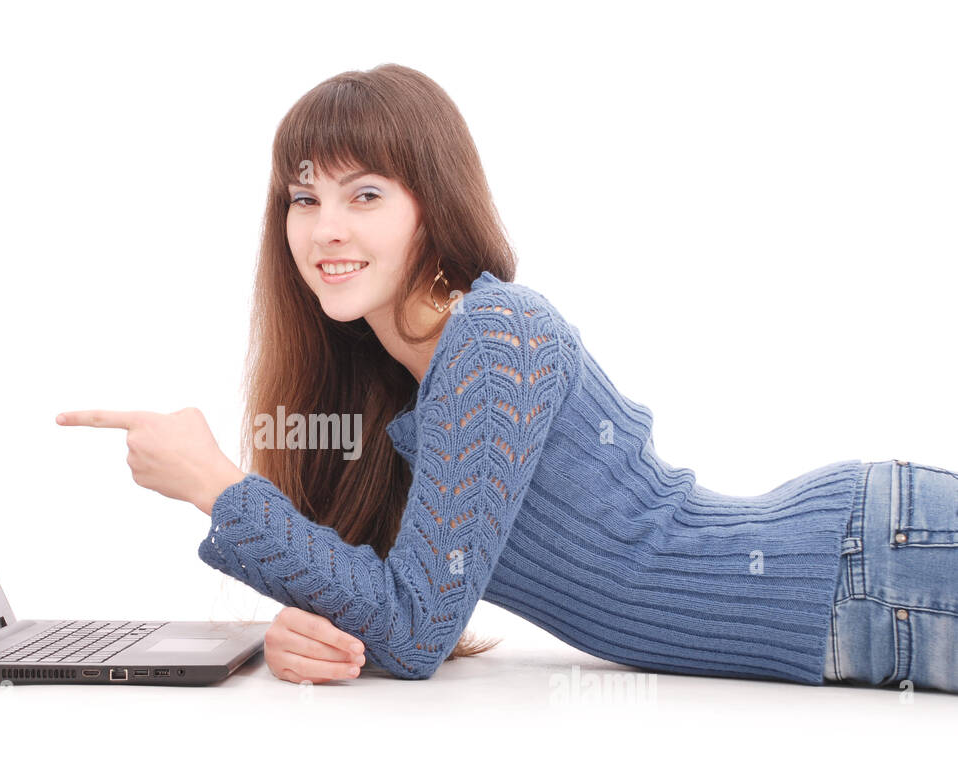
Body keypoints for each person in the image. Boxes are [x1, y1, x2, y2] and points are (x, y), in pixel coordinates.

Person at [56, 64, 958, 694]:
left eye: (365, 194)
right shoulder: (400, 390)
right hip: (857, 596)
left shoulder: (496, 336)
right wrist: (323, 629)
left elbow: (412, 628)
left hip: (871, 566)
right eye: (305, 198)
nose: (326, 227)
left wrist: (217, 488)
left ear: (430, 207)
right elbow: (404, 610)